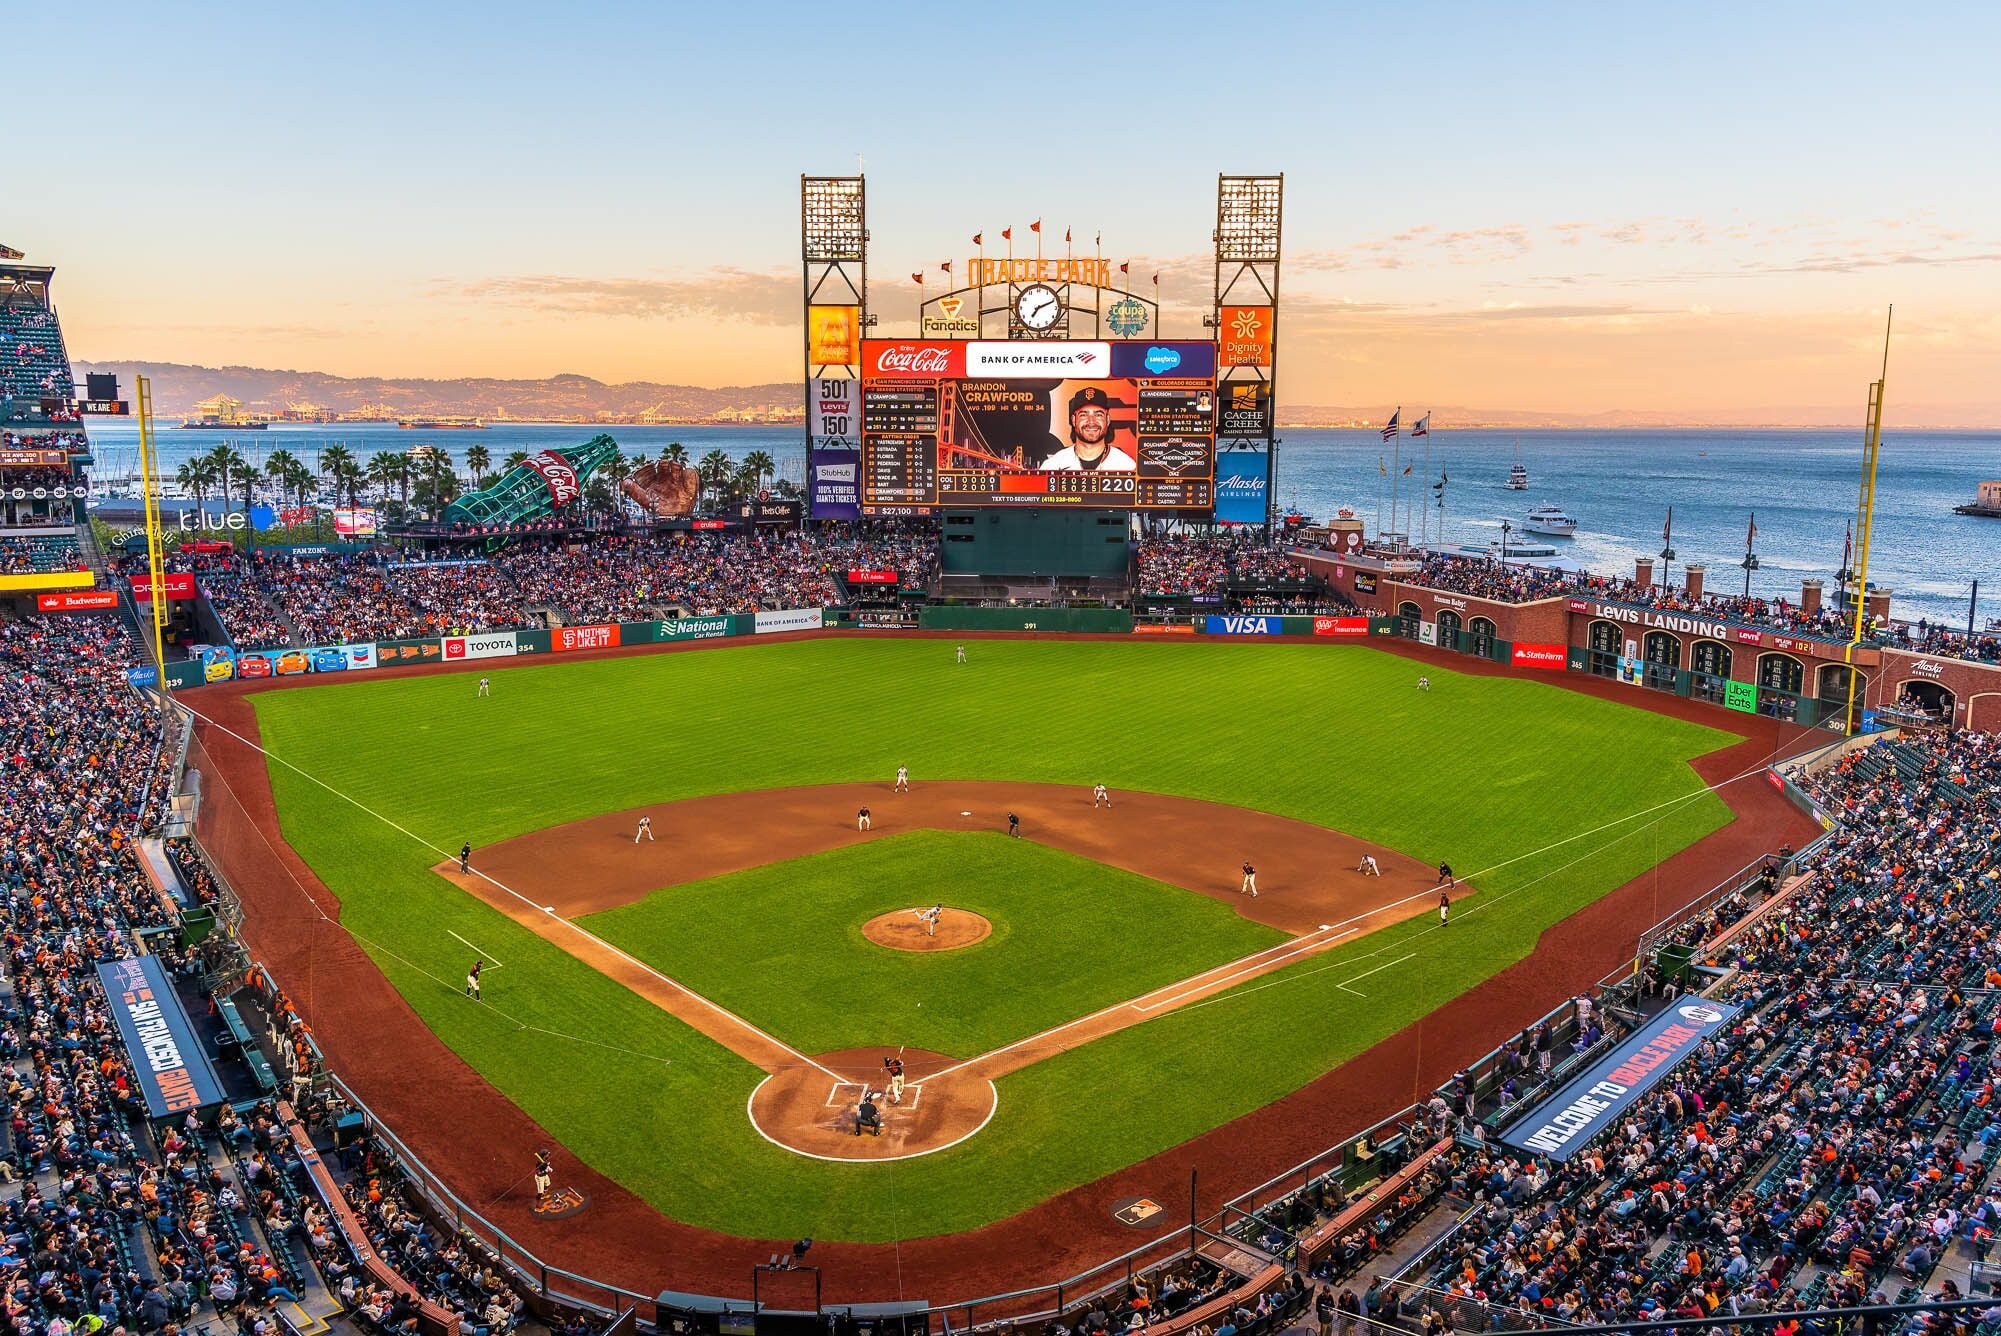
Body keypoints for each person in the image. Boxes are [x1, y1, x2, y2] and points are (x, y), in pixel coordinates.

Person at [1042, 387, 1137, 471]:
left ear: (1107, 420)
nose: (1091, 421)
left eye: (1098, 415)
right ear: (1074, 420)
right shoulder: (1053, 466)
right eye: (1083, 415)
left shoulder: (1126, 465)